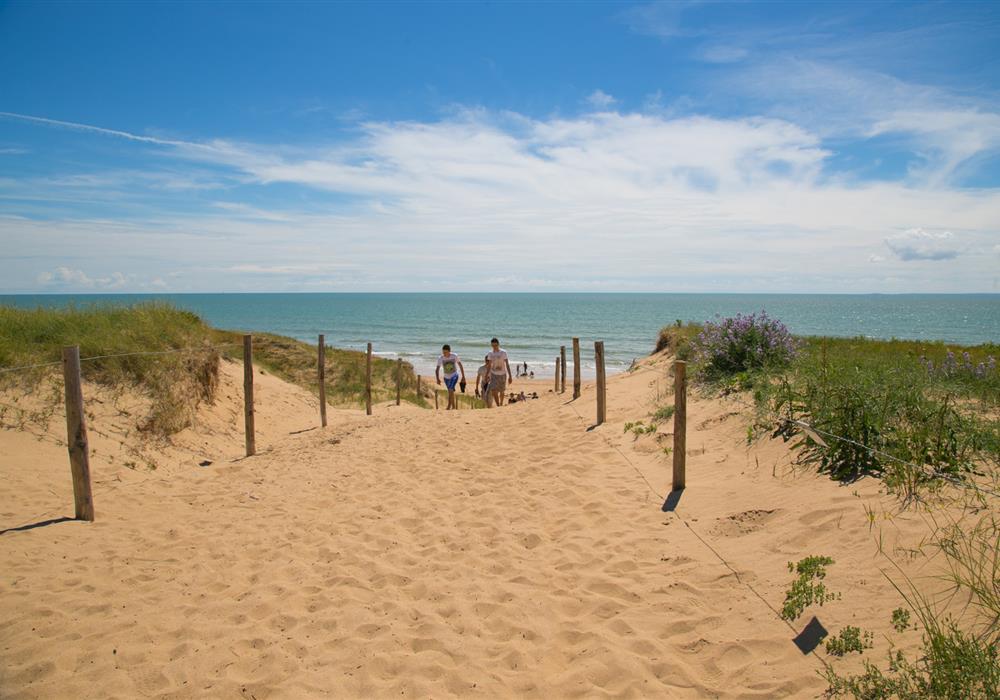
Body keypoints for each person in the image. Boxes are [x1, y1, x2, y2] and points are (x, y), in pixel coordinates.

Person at [435, 344, 466, 410]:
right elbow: (437, 369)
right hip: (446, 378)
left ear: (449, 351)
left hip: (454, 375)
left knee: (450, 390)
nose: (444, 354)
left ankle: (451, 406)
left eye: (445, 352)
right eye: (443, 352)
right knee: (450, 391)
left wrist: (463, 376)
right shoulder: (441, 358)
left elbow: (460, 365)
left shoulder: (454, 356)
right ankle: (451, 406)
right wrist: (437, 379)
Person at [485, 337, 513, 407]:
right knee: (494, 390)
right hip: (493, 374)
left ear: (498, 344)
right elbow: (489, 365)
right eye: (493, 345)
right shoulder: (490, 353)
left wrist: (510, 376)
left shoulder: (503, 352)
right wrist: (487, 375)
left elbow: (507, 364)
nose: (494, 347)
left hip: (503, 374)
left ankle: (501, 403)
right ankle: (498, 405)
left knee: (502, 391)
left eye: (495, 345)